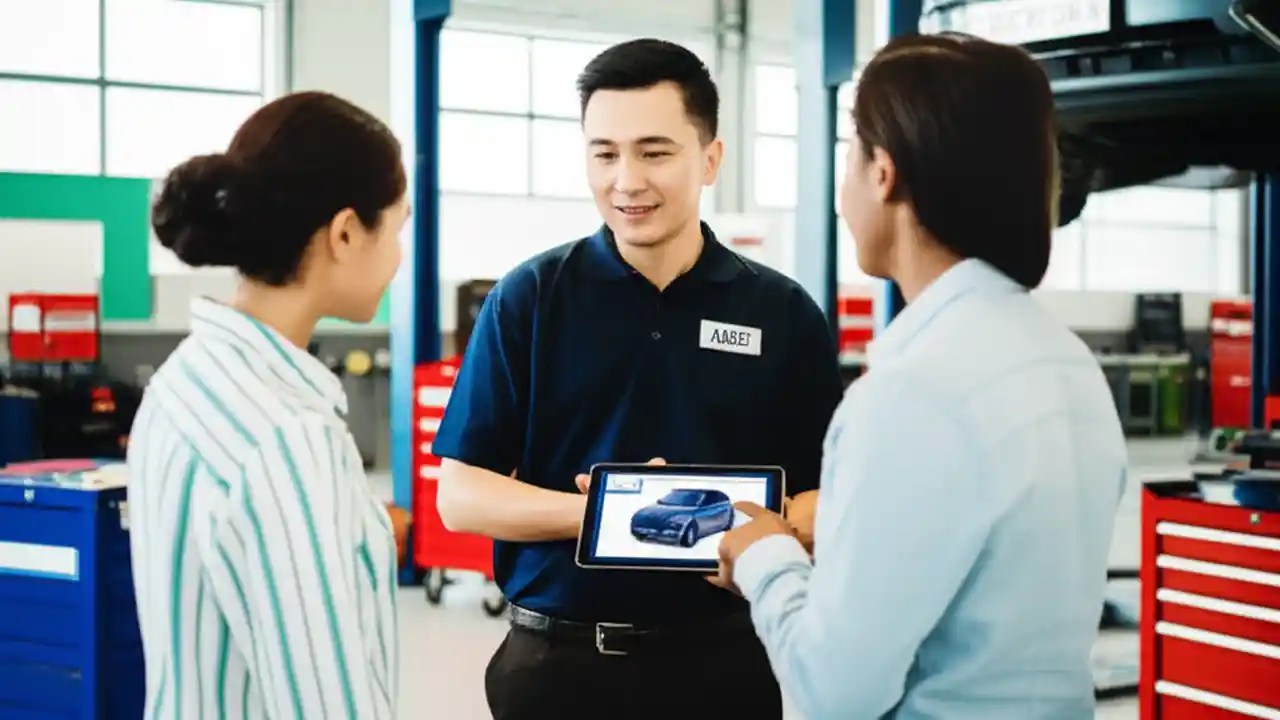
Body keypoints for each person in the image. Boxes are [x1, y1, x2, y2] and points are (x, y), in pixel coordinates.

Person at [715, 33, 1128, 720]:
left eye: (850, 153)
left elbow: (833, 691)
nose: (842, 190)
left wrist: (766, 558)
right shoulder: (1066, 361)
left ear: (885, 172)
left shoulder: (913, 393)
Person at [431, 38, 844, 720]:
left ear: (710, 158)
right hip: (554, 671)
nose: (626, 180)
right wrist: (601, 515)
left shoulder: (782, 312)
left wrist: (768, 531)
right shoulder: (530, 298)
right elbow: (461, 496)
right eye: (604, 153)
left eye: (654, 152)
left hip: (726, 667)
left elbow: (828, 496)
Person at [126, 91, 408, 720]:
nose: (398, 257)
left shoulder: (183, 380)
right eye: (397, 226)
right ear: (345, 233)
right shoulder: (288, 439)